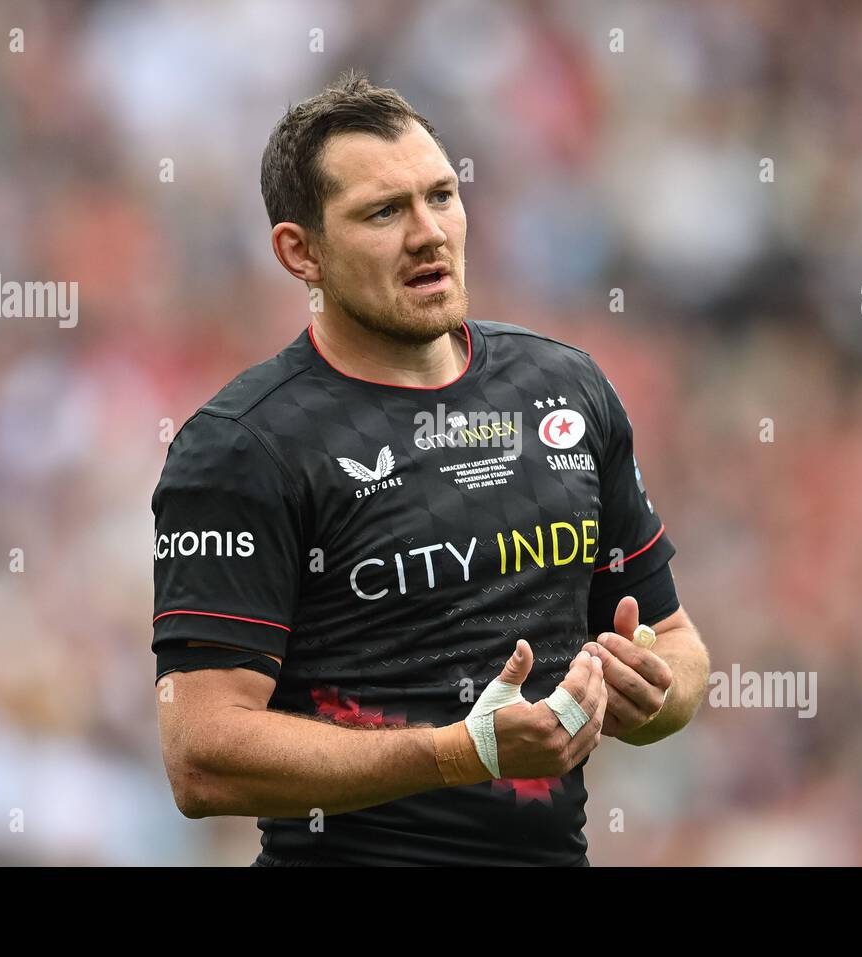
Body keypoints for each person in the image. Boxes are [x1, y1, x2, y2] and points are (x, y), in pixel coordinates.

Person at [152, 69, 710, 866]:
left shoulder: (565, 388)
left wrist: (654, 689)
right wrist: (459, 751)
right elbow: (201, 756)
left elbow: (678, 643)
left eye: (441, 196)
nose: (428, 233)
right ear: (298, 251)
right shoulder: (243, 447)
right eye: (384, 211)